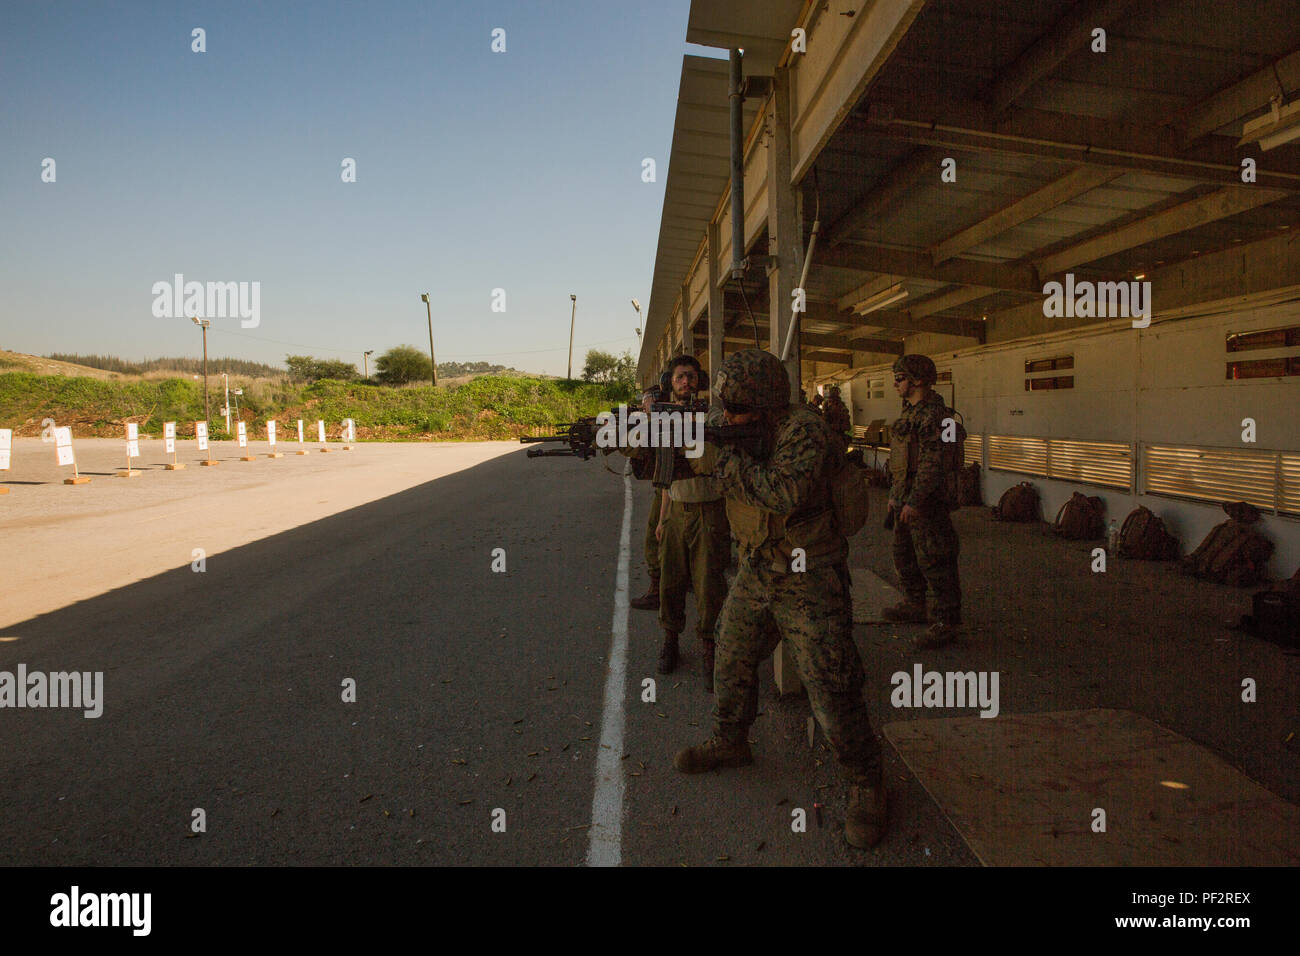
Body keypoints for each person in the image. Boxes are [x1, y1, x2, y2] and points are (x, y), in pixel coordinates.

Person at [673, 349, 887, 849]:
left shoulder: (804, 431)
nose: (725, 418)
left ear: (767, 408)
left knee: (830, 685)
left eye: (737, 410)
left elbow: (782, 491)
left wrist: (719, 460)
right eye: (724, 407)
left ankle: (866, 781)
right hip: (758, 565)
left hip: (808, 574)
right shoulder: (734, 419)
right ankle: (731, 741)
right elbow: (707, 441)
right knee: (730, 655)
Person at [654, 356, 730, 684]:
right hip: (675, 510)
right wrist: (661, 520)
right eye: (680, 377)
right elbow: (665, 478)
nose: (687, 382)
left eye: (692, 377)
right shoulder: (661, 418)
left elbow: (719, 439)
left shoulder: (711, 414)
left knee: (708, 583)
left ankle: (709, 648)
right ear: (670, 382)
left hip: (709, 510)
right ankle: (670, 640)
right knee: (670, 581)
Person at [883, 354, 963, 649]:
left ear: (917, 381)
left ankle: (947, 622)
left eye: (900, 378)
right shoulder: (910, 414)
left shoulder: (937, 418)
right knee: (903, 554)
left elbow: (933, 464)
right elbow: (902, 458)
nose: (895, 384)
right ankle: (915, 603)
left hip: (927, 502)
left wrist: (914, 500)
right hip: (907, 498)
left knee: (937, 560)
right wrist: (895, 495)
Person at [630, 385, 665, 612]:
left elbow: (639, 449)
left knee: (655, 538)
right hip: (666, 490)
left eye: (646, 401)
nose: (643, 406)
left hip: (671, 491)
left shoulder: (660, 423)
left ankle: (657, 590)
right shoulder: (654, 422)